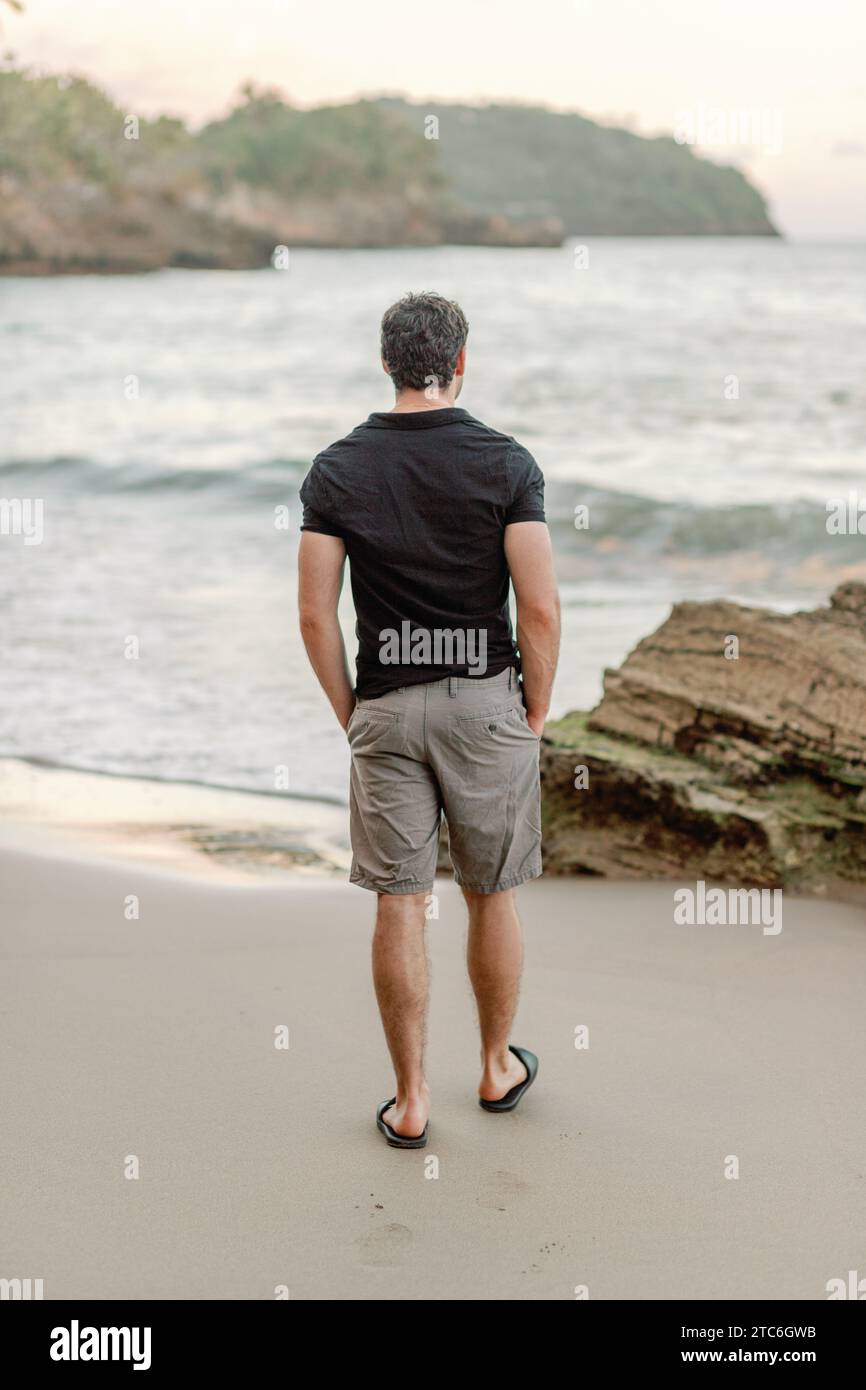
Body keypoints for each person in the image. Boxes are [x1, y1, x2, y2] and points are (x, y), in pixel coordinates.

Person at [298, 291, 560, 1148]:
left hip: (383, 707)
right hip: (486, 706)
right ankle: (493, 1068)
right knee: (491, 892)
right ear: (461, 361)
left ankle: (410, 1101)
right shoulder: (505, 463)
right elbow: (540, 607)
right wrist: (536, 709)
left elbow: (313, 615)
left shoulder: (337, 468)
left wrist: (353, 712)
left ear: (385, 363)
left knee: (400, 903)